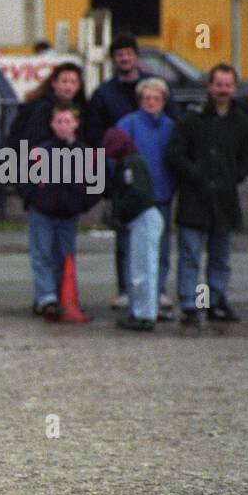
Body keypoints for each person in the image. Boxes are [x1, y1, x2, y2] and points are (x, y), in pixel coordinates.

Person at [85, 33, 174, 308]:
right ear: (113, 59)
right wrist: (106, 182)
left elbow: (175, 145)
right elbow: (95, 139)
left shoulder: (159, 99)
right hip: (123, 183)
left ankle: (157, 290)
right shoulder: (105, 96)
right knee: (126, 240)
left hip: (159, 186)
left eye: (129, 52)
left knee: (160, 240)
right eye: (119, 53)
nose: (125, 57)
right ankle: (127, 289)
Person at [166, 63, 248, 326]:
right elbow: (175, 155)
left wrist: (233, 175)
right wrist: (196, 176)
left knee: (220, 256)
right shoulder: (191, 119)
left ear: (235, 88)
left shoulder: (241, 121)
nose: (223, 90)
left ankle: (215, 300)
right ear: (209, 87)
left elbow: (247, 157)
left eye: (228, 85)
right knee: (191, 255)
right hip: (194, 198)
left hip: (225, 199)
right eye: (219, 85)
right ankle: (191, 304)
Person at [20, 103, 101, 319]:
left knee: (65, 257)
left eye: (67, 121)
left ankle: (64, 296)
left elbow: (96, 184)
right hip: (42, 212)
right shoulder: (41, 151)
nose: (63, 126)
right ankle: (46, 298)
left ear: (75, 124)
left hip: (68, 214)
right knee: (42, 255)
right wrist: (33, 198)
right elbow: (24, 179)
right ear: (52, 125)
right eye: (59, 121)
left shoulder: (85, 153)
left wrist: (81, 203)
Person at [115, 77, 176, 318]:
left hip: (162, 198)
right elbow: (114, 161)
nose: (151, 102)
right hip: (134, 202)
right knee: (134, 253)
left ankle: (157, 294)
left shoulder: (171, 128)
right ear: (140, 100)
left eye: (156, 98)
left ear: (163, 101)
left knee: (160, 250)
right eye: (147, 98)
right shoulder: (127, 125)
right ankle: (134, 298)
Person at [102, 128, 162, 331]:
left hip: (143, 219)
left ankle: (145, 315)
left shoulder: (131, 163)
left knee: (143, 270)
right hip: (143, 218)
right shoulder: (132, 161)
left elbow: (137, 195)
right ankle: (142, 312)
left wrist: (119, 213)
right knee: (141, 269)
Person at [5, 61, 88, 152]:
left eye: (73, 82)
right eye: (64, 81)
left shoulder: (81, 108)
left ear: (79, 86)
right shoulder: (41, 107)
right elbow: (32, 140)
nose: (68, 86)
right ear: (54, 83)